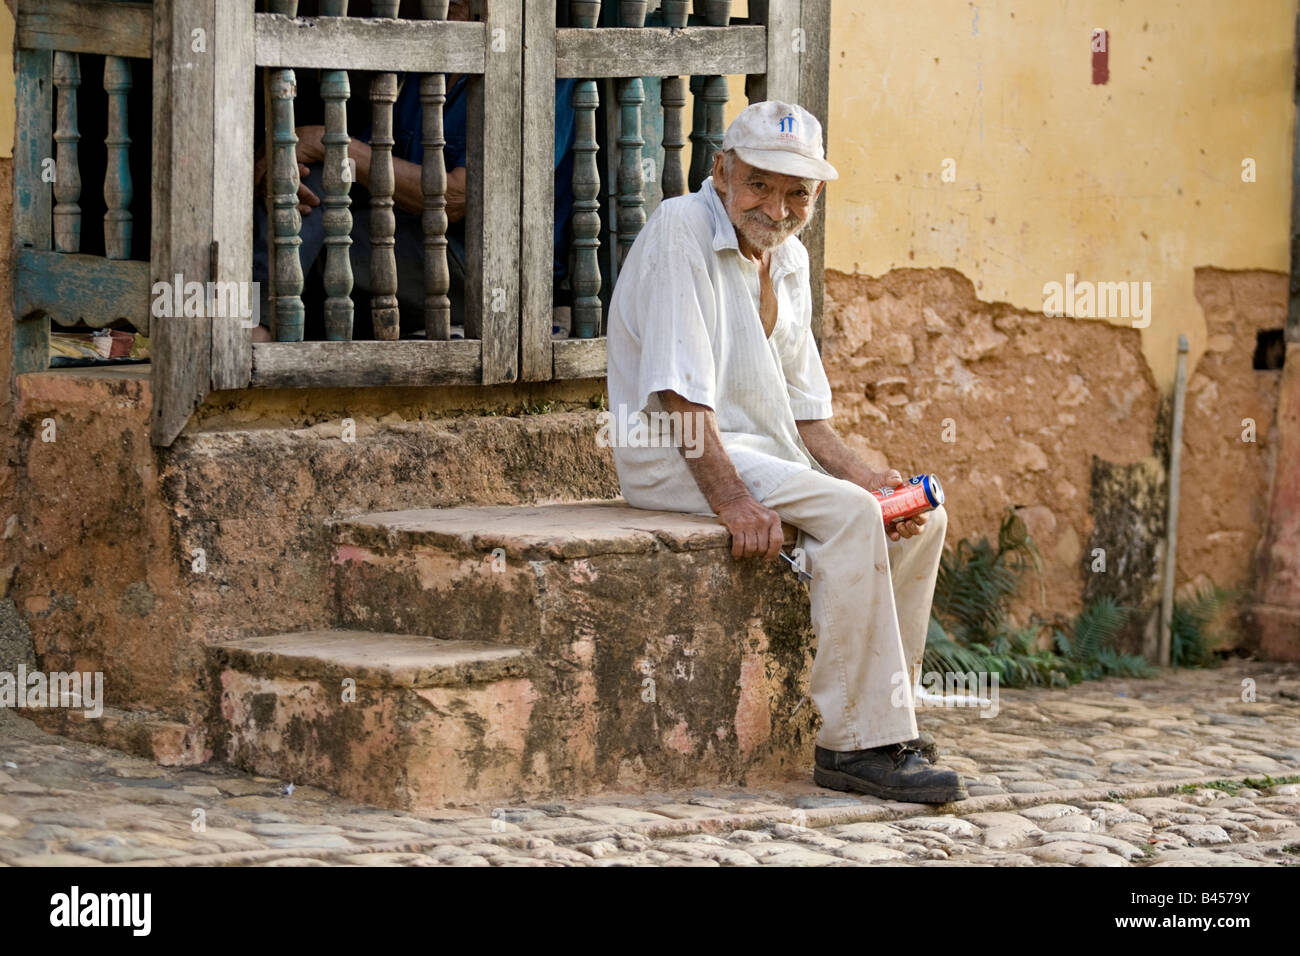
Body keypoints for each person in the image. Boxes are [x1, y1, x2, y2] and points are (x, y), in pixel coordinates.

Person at [605, 100, 967, 804]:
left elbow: (805, 413)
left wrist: (867, 477)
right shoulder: (681, 229)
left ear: (817, 196)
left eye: (797, 191)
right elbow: (679, 399)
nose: (778, 206)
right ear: (721, 171)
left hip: (761, 454)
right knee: (847, 516)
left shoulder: (789, 258)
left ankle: (891, 717)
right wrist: (732, 499)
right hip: (676, 456)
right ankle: (855, 746)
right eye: (760, 185)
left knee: (913, 517)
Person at [251, 0, 577, 340]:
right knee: (304, 184)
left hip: (484, 270)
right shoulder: (426, 62)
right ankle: (248, 321)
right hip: (410, 246)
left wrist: (329, 143)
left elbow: (458, 197)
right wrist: (290, 159)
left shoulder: (536, 65)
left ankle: (251, 325)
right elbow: (362, 170)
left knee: (316, 192)